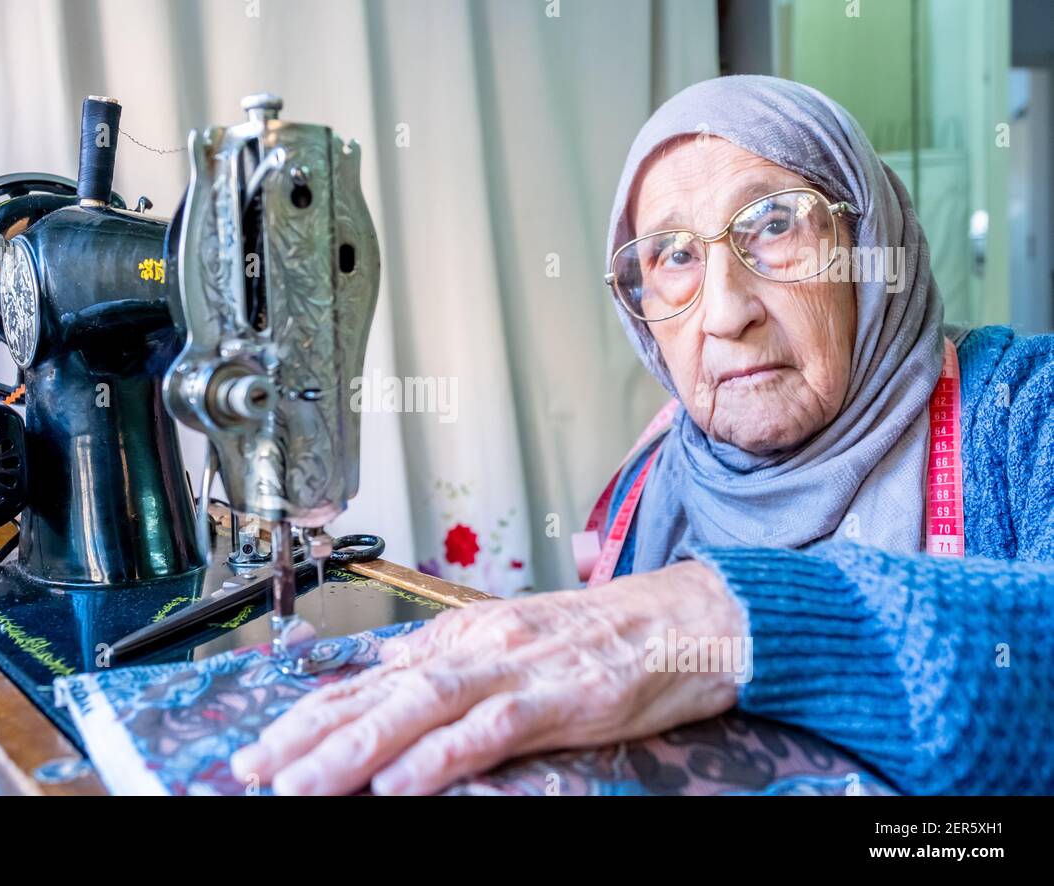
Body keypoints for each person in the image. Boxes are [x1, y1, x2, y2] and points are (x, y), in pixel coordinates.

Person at [230, 75, 1054, 796]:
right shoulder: (652, 473)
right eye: (671, 256)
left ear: (868, 245)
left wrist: (718, 614)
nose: (728, 312)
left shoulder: (1023, 408)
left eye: (775, 224)